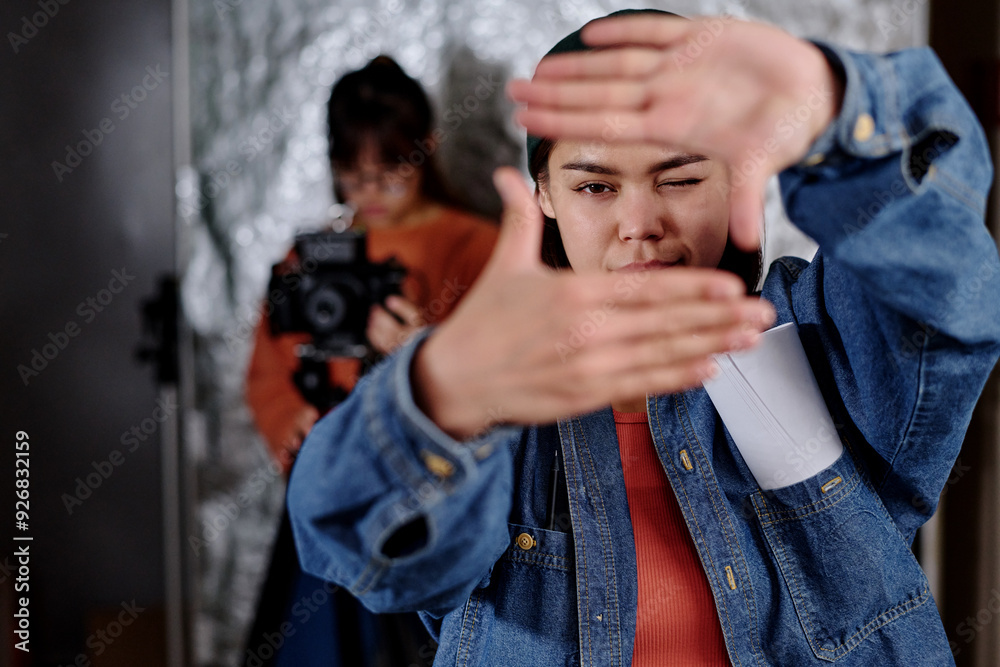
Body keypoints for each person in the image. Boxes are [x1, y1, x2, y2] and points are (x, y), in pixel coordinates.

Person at [287, 9, 1000, 666]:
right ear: (543, 194)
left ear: (738, 177)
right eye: (596, 187)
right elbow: (347, 542)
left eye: (681, 177)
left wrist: (840, 106)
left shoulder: (814, 344)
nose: (640, 223)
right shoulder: (496, 400)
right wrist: (439, 394)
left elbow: (944, 289)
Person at [243, 55, 497, 666]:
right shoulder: (310, 258)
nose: (373, 195)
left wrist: (426, 349)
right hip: (332, 483)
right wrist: (290, 419)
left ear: (426, 151)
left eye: (391, 175)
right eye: (354, 179)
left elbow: (501, 369)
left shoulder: (474, 245)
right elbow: (267, 361)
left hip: (429, 497)